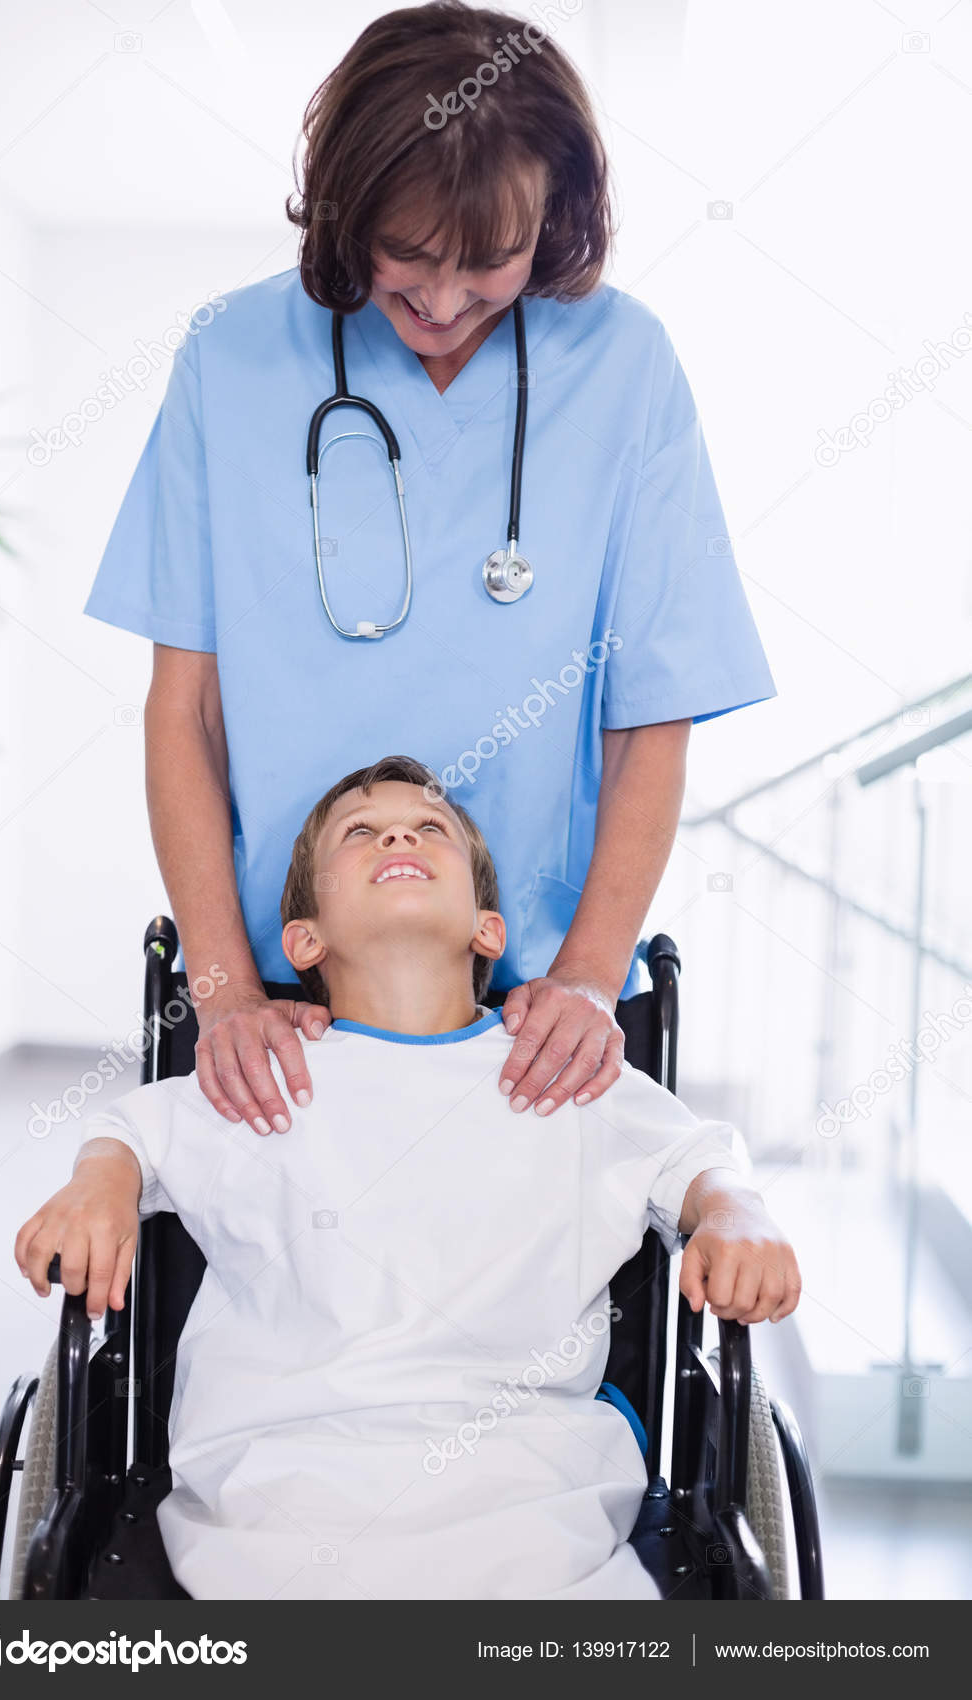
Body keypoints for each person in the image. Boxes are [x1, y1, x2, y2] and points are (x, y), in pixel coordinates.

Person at [82, 2, 776, 1143]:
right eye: (406, 256)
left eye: (488, 263)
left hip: (527, 1013)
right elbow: (185, 706)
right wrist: (224, 993)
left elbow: (650, 711)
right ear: (344, 206)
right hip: (286, 1001)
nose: (444, 304)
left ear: (554, 222)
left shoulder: (624, 363)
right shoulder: (231, 356)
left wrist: (590, 982)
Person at [15, 756, 801, 1602]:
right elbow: (131, 1132)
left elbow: (696, 1159)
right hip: (283, 1475)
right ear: (303, 941)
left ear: (488, 930)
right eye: (362, 832)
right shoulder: (261, 1069)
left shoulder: (566, 1070)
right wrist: (99, 1182)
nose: (399, 833)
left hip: (525, 1479)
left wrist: (733, 1210)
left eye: (432, 829)